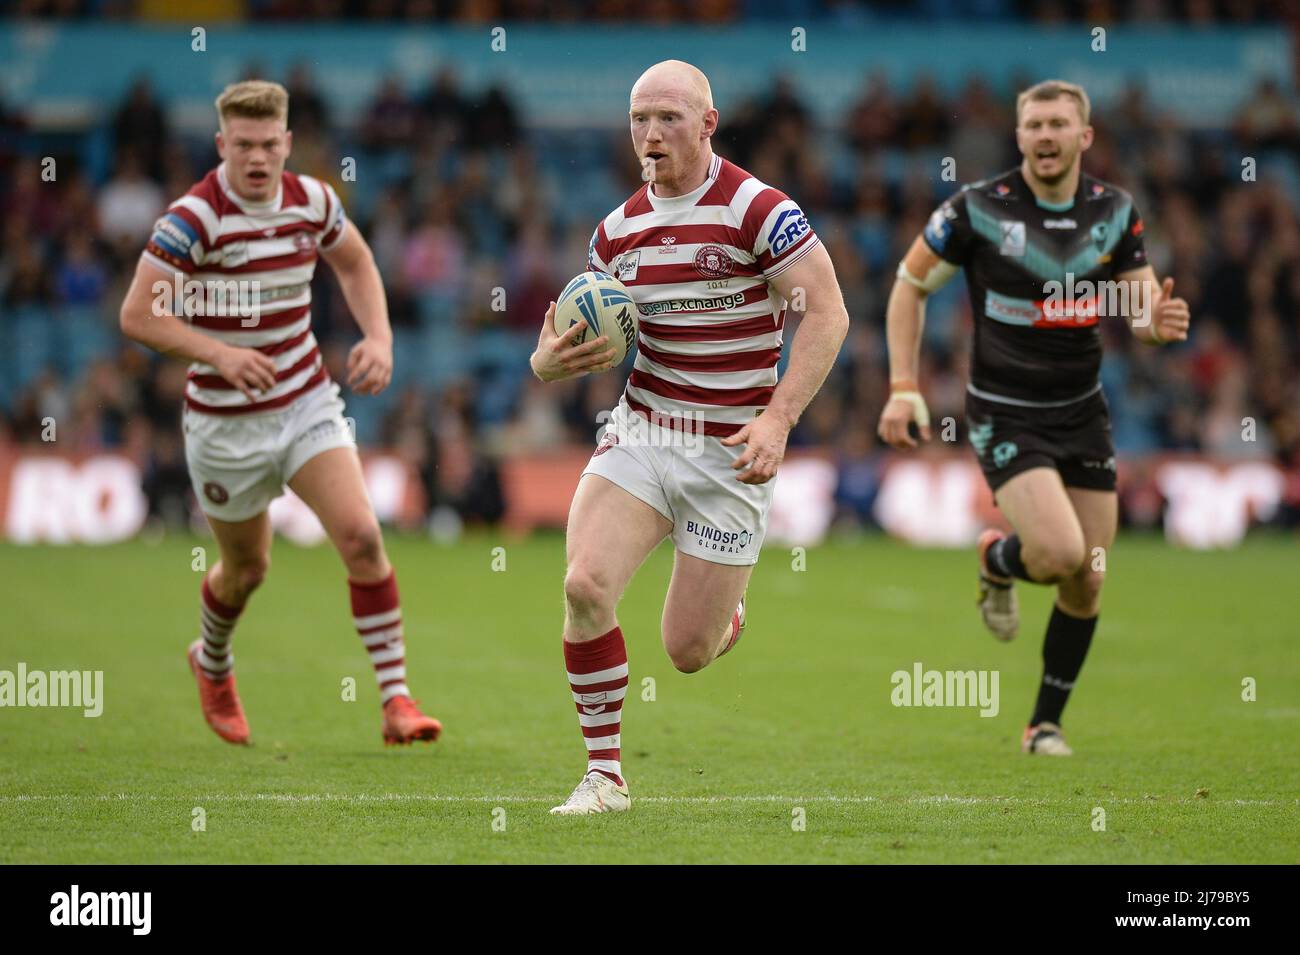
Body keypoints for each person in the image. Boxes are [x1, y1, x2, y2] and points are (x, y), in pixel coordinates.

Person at [530, 60, 849, 813]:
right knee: (583, 585)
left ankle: (724, 614)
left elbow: (828, 312)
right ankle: (605, 776)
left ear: (708, 124)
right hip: (644, 430)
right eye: (639, 118)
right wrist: (546, 363)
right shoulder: (614, 235)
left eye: (669, 117)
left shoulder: (757, 209)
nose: (651, 133)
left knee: (687, 651)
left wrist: (778, 419)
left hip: (730, 452)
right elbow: (577, 342)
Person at [118, 81, 441, 747]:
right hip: (223, 424)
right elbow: (138, 314)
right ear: (221, 145)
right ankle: (212, 661)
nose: (258, 158)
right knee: (247, 571)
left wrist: (379, 337)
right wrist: (219, 353)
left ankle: (396, 700)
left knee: (362, 537)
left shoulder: (313, 201)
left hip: (304, 402)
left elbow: (356, 261)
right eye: (243, 145)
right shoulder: (194, 218)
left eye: (269, 144)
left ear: (288, 142)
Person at [877, 80, 1190, 755]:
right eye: (1035, 124)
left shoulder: (1115, 212)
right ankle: (1000, 556)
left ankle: (1043, 723)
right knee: (1057, 553)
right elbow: (909, 284)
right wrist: (903, 385)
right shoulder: (977, 209)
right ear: (1018, 136)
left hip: (1082, 411)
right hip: (1005, 411)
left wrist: (1157, 326)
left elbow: (1141, 312)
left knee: (1089, 574)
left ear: (1085, 136)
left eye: (1058, 124)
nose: (1046, 135)